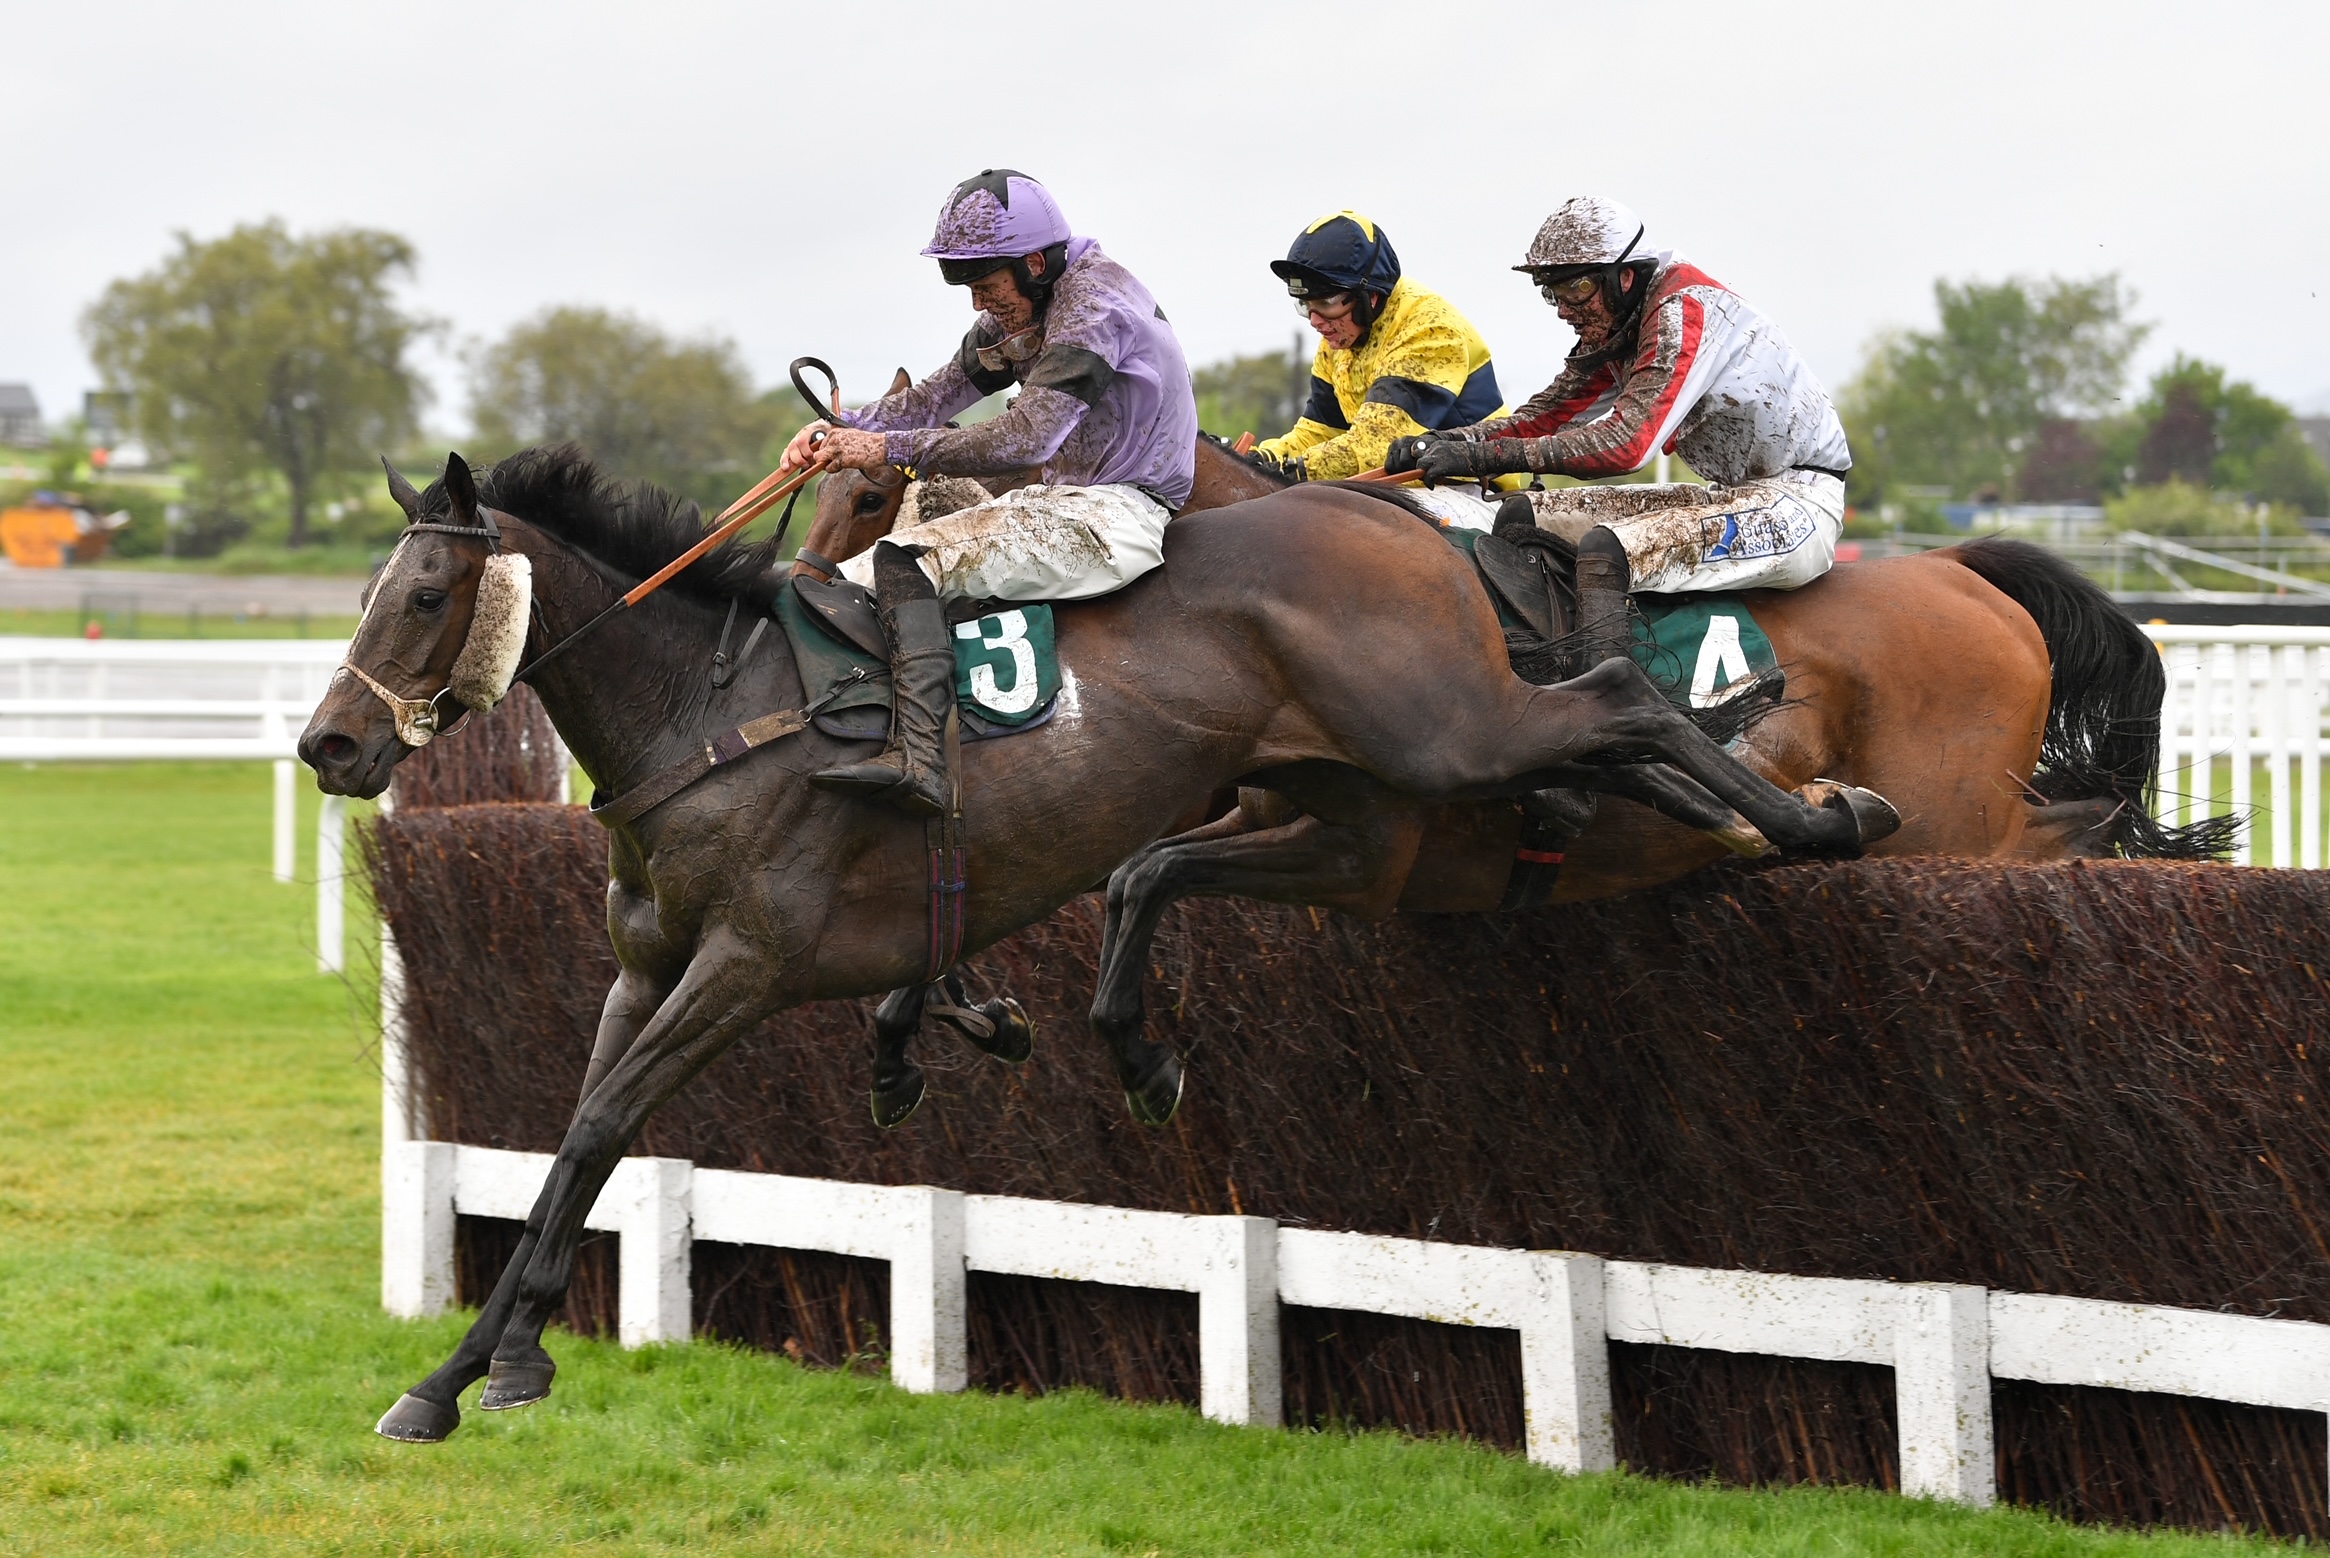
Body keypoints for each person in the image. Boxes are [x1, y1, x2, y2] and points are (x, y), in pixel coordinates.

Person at [777, 169, 1197, 815]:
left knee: (900, 559)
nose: (978, 304)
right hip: (1058, 505)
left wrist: (884, 449)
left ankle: (921, 762)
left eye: (985, 285)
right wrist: (839, 429)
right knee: (838, 586)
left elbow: (1028, 439)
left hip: (1120, 514)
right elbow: (936, 396)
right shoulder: (1027, 305)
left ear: (1033, 263)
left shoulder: (1094, 306)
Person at [1386, 196, 1851, 669]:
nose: (1565, 310)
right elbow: (1544, 417)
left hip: (1798, 507)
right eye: (1553, 293)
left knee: (1604, 552)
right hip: (1727, 496)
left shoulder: (1682, 312)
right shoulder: (1620, 324)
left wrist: (1485, 460)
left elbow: (1626, 445)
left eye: (1578, 289)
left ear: (1624, 276)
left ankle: (1609, 710)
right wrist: (1451, 442)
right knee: (1519, 517)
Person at [1253, 211, 1511, 485]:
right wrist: (1260, 459)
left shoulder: (1430, 329)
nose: (1316, 321)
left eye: (1326, 302)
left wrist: (1284, 472)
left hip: (1475, 487)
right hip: (1404, 485)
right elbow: (1319, 432)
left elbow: (1375, 447)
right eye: (1306, 305)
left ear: (1371, 297)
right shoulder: (1340, 335)